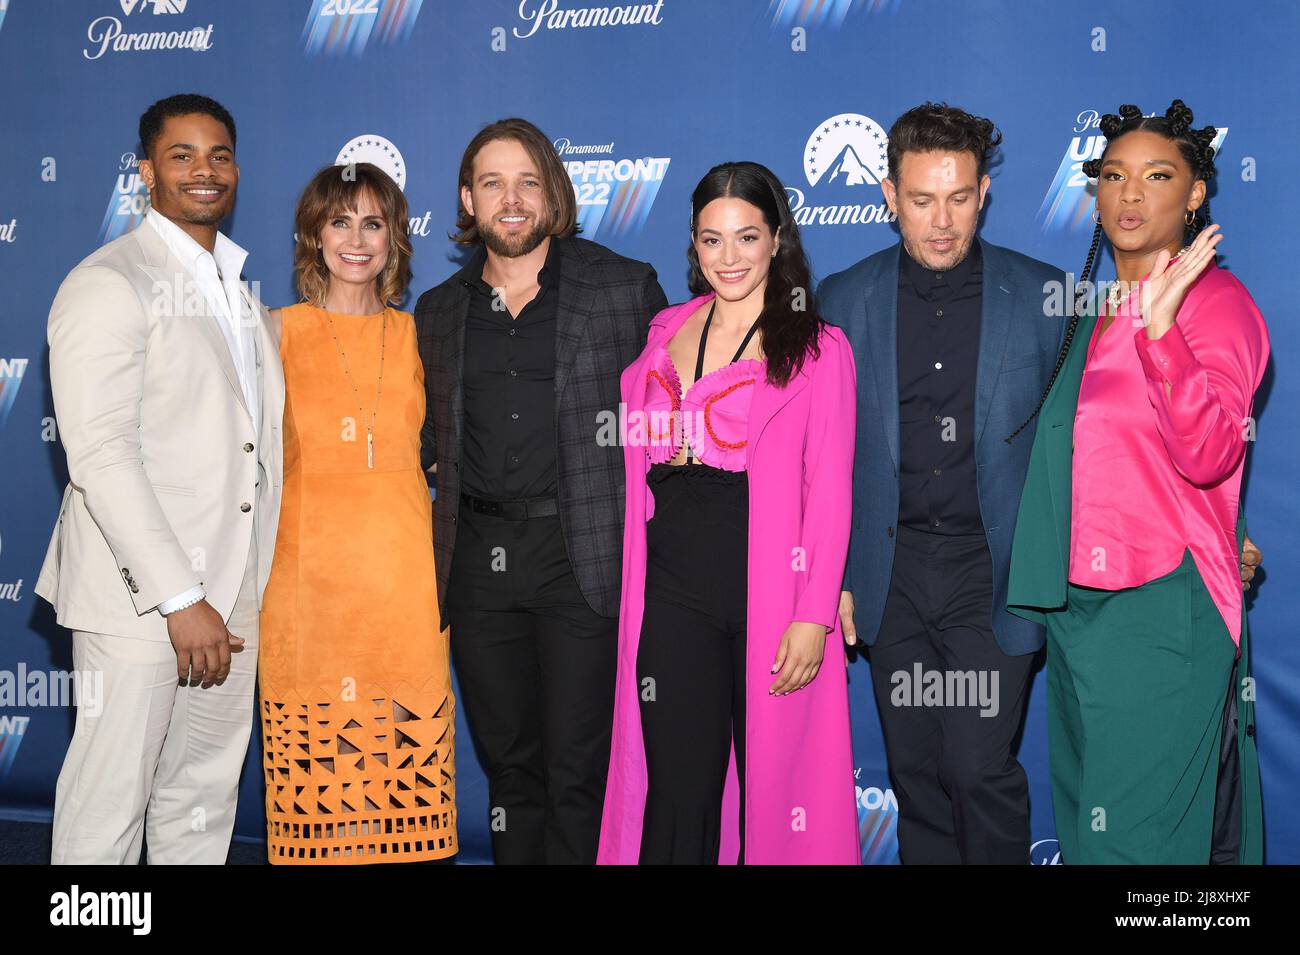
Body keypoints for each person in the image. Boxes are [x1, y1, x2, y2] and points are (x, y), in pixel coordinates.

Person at [1006, 100, 1268, 864]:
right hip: (1079, 608)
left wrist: (1161, 335)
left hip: (1160, 609)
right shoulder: (1093, 308)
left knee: (1134, 850)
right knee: (1098, 839)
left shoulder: (1218, 304)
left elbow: (1212, 450)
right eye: (1113, 175)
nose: (1129, 194)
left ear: (1194, 196)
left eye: (1157, 176)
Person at [36, 94, 284, 864]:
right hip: (142, 601)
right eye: (181, 155)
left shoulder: (241, 294)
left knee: (201, 802)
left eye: (219, 156)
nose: (203, 171)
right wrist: (181, 599)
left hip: (234, 595)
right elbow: (101, 454)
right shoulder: (108, 282)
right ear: (146, 172)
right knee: (107, 807)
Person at [822, 104, 1072, 864]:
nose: (942, 221)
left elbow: (1102, 435)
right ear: (890, 197)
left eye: (959, 197)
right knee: (917, 773)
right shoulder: (840, 300)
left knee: (978, 768)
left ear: (984, 191)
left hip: (990, 572)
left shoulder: (1045, 298)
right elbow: (818, 454)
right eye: (922, 199)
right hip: (889, 575)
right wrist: (827, 577)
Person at [414, 118, 668, 865]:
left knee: (576, 771)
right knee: (510, 767)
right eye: (492, 183)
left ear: (554, 191)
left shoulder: (623, 288)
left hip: (581, 557)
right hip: (476, 565)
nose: (511, 198)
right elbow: (421, 444)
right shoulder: (436, 312)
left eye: (528, 181)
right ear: (468, 198)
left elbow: (675, 419)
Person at [597, 162, 859, 865]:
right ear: (693, 243)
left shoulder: (819, 347)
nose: (730, 256)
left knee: (777, 787)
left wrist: (813, 613)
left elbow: (830, 489)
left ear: (777, 238)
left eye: (747, 237)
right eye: (712, 240)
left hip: (767, 576)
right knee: (679, 782)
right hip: (670, 577)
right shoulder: (665, 330)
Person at [258, 162, 456, 864]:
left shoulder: (421, 336)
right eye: (339, 220)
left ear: (395, 237)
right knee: (324, 793)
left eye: (373, 222)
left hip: (404, 585)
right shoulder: (270, 333)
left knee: (400, 793)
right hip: (305, 587)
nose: (356, 238)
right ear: (314, 234)